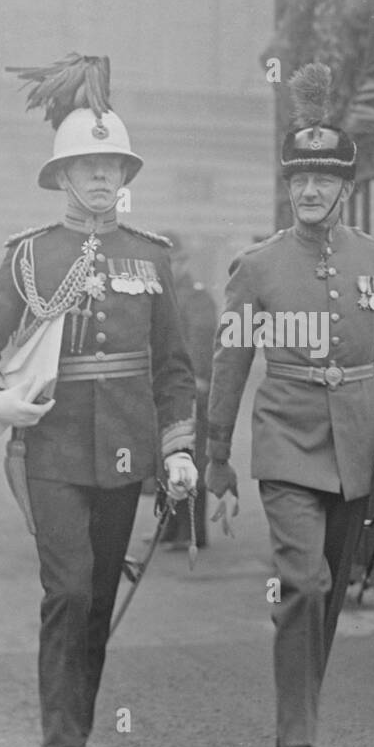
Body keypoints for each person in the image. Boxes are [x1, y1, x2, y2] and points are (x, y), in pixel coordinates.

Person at [0, 54, 197, 747]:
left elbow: (176, 371)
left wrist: (180, 448)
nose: (101, 177)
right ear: (61, 176)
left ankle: (79, 745)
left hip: (125, 455)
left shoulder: (153, 258)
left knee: (97, 606)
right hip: (52, 453)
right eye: (87, 165)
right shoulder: (29, 257)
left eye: (112, 165)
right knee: (67, 595)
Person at [204, 62, 374, 747]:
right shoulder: (258, 267)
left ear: (346, 187)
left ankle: (295, 730)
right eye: (298, 179)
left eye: (322, 180)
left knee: (328, 598)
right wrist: (214, 458)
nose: (309, 191)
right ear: (288, 185)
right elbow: (230, 364)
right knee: (303, 584)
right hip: (286, 442)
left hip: (358, 446)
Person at [157, 231, 217, 551]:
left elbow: (202, 343)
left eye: (172, 261)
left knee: (192, 456)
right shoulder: (165, 294)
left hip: (192, 387)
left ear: (181, 262)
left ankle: (193, 533)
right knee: (170, 454)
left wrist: (198, 379)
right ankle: (170, 528)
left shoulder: (195, 296)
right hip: (168, 388)